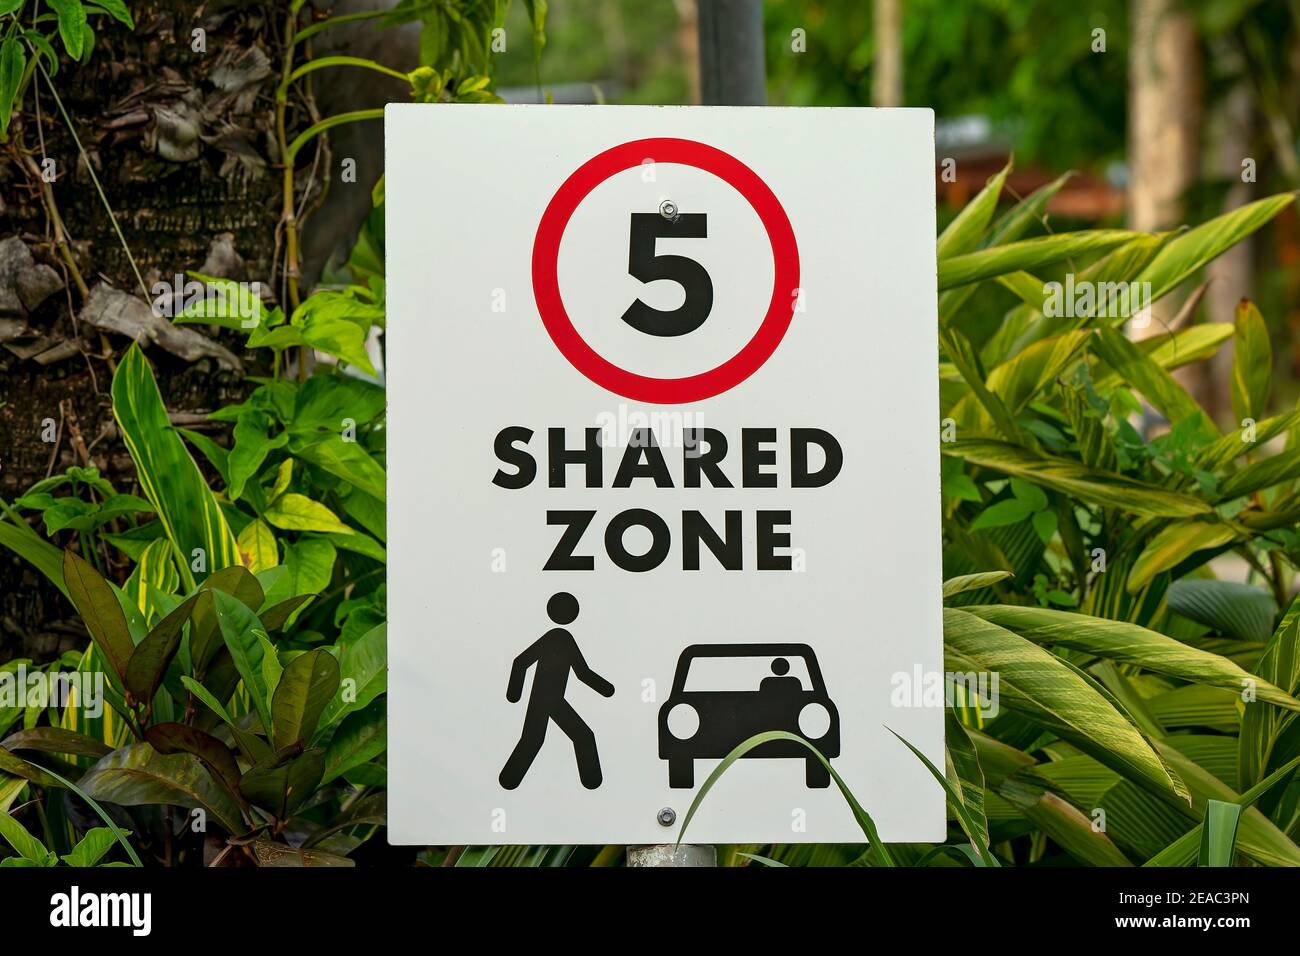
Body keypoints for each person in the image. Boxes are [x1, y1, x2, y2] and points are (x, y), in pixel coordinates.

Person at [499, 592, 615, 790]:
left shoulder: (559, 637)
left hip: (545, 699)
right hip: (548, 699)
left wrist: (605, 689)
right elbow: (582, 672)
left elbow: (580, 672)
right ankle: (591, 781)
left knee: (534, 739)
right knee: (581, 736)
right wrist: (513, 694)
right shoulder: (559, 637)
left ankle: (508, 780)